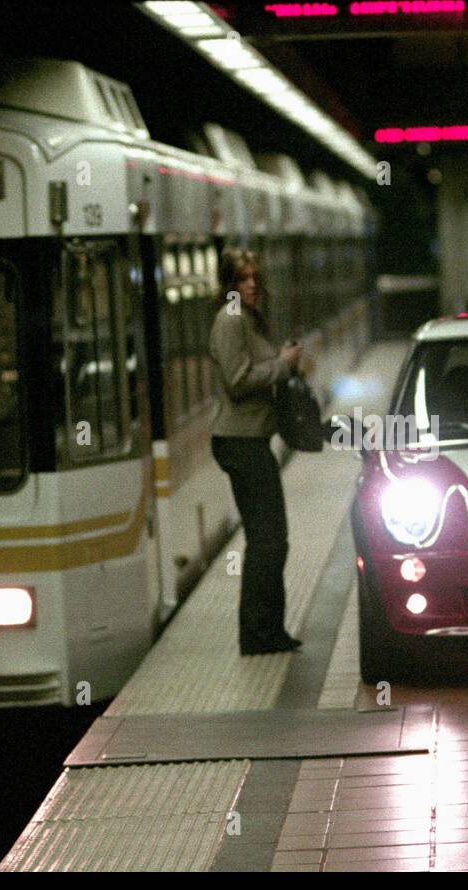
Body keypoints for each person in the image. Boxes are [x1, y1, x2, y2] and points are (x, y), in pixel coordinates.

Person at [208, 249, 304, 656]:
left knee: (271, 538)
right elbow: (236, 379)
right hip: (239, 440)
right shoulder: (230, 321)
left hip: (252, 439)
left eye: (254, 278)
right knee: (268, 539)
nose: (251, 285)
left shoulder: (245, 318)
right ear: (229, 283)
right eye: (242, 279)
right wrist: (282, 366)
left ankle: (270, 629)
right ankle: (257, 634)